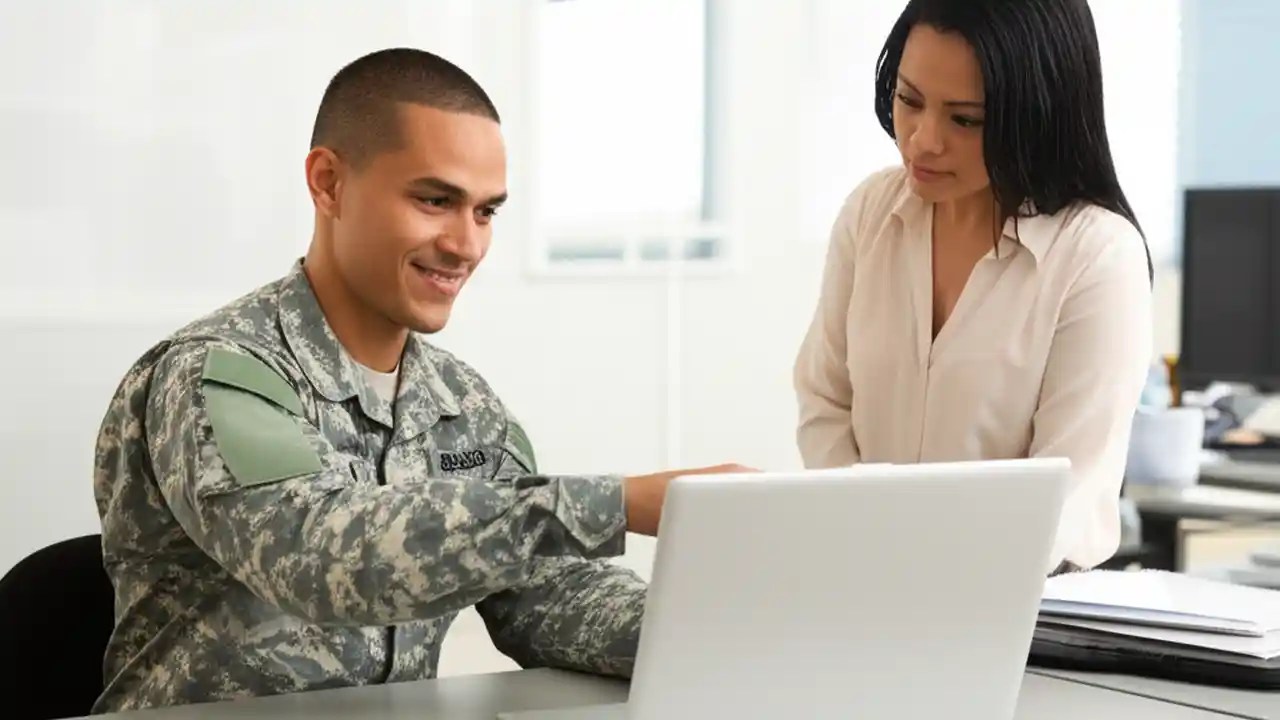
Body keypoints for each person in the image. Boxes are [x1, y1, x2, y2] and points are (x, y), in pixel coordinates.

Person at [91, 48, 751, 714]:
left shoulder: (464, 405)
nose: (466, 245)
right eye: (436, 201)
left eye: (485, 212)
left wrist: (735, 636)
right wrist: (621, 502)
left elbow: (548, 596)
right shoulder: (217, 373)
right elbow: (315, 556)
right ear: (328, 183)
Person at [793, 0, 1153, 574]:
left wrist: (937, 568)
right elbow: (826, 400)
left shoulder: (1096, 255)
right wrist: (865, 538)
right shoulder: (871, 212)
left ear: (1035, 114)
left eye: (964, 120)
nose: (923, 141)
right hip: (863, 577)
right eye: (909, 100)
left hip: (1018, 596)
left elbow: (1071, 490)